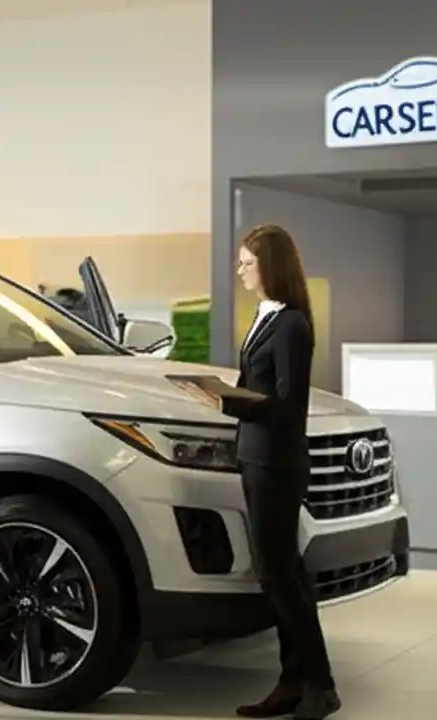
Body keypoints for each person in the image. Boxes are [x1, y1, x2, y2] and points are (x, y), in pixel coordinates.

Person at [191, 224, 340, 720]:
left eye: (247, 262)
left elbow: (286, 406)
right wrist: (218, 393)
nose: (240, 269)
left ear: (270, 265)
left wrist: (231, 403)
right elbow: (253, 383)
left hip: (277, 462)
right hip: (256, 457)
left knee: (277, 577)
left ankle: (320, 684)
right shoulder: (264, 315)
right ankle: (293, 681)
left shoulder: (292, 324)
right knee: (286, 573)